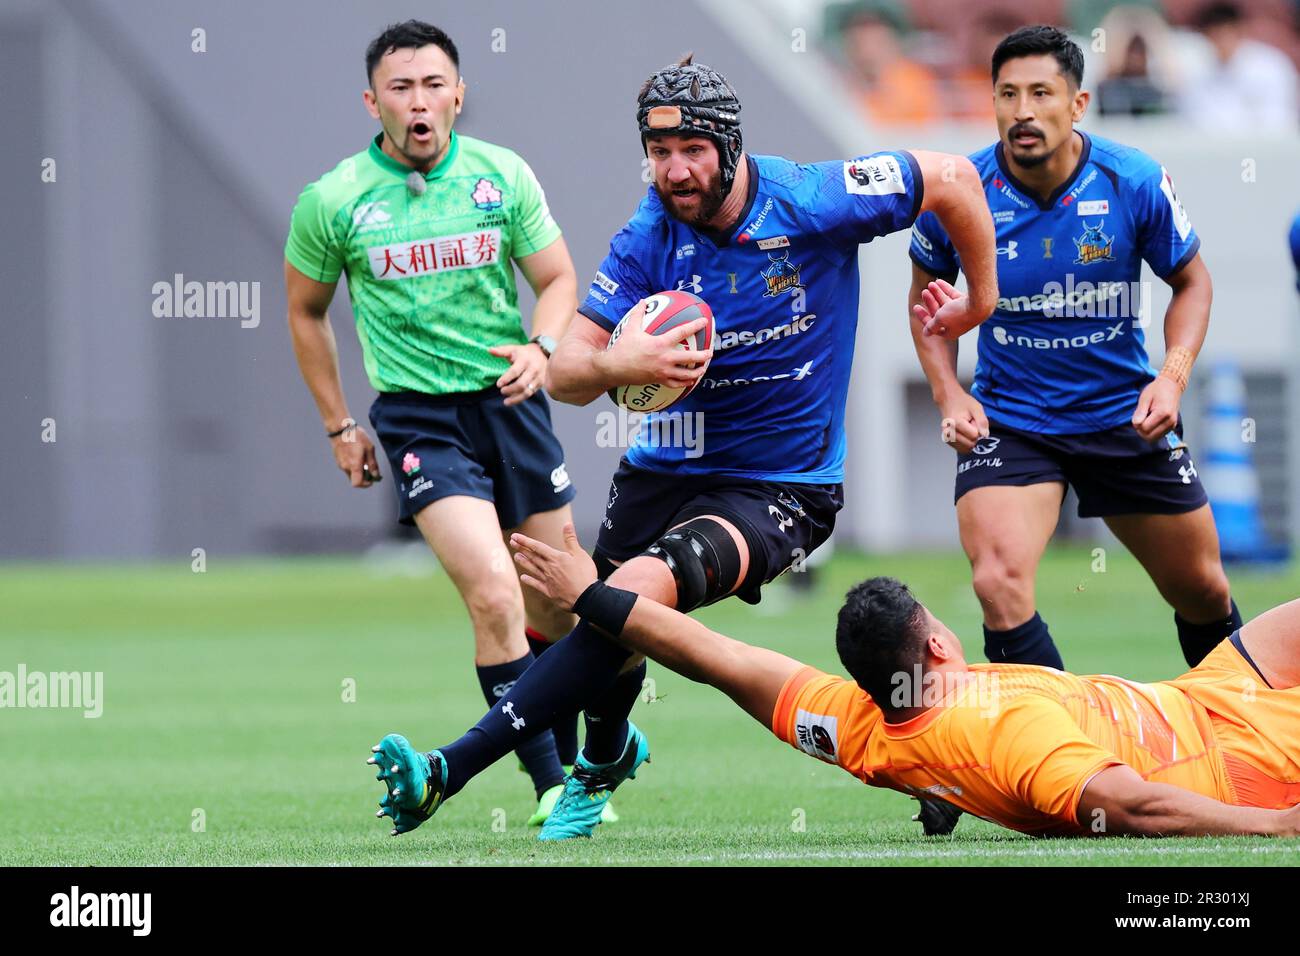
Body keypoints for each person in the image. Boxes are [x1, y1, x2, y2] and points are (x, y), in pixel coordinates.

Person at [367, 53, 999, 840]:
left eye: (691, 150)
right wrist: (614, 365)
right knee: (607, 619)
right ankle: (604, 759)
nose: (673, 171)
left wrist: (981, 297)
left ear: (730, 146)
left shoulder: (811, 198)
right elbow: (562, 371)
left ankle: (447, 771)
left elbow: (955, 179)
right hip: (662, 468)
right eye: (659, 153)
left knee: (621, 594)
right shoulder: (648, 236)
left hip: (780, 484)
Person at [491, 526, 1300, 839]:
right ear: (940, 643)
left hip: (1206, 686)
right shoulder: (1006, 733)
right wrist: (1272, 829)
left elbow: (715, 656)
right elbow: (1129, 804)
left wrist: (591, 596)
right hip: (1235, 757)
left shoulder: (863, 723)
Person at [284, 20, 581, 825]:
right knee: (493, 594)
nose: (418, 102)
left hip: (511, 405)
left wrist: (543, 345)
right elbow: (305, 312)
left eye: (432, 85)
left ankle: (598, 759)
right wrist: (341, 425)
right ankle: (555, 787)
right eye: (400, 88)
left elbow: (557, 278)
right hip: (419, 421)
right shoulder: (335, 199)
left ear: (458, 93)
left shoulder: (500, 176)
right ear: (372, 101)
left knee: (560, 603)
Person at [909, 24, 1238, 677]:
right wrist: (950, 393)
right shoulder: (958, 190)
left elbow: (1192, 282)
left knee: (1202, 590)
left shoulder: (1132, 179)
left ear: (1078, 104)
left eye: (1041, 93)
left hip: (1123, 415)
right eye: (1007, 94)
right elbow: (925, 307)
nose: (1023, 111)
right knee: (998, 584)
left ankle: (1248, 742)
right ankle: (1066, 760)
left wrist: (1171, 379)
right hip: (1013, 420)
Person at [1177, 1, 1298, 132]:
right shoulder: (1198, 72)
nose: (1221, 42)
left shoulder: (1270, 66)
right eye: (1214, 36)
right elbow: (1196, 119)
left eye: (1225, 34)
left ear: (1240, 31)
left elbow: (1278, 121)